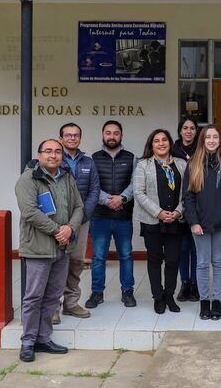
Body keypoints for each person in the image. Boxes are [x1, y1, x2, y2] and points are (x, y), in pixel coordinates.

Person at [14, 139, 83, 362]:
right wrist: (57, 231)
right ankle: (28, 342)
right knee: (34, 296)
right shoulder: (28, 178)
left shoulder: (66, 176)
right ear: (40, 154)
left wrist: (70, 228)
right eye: (48, 151)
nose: (53, 155)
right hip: (39, 248)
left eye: (57, 152)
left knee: (53, 296)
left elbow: (79, 206)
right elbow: (30, 212)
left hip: (62, 248)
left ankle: (44, 338)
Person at [182, 125, 221, 321]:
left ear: (220, 140)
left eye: (215, 137)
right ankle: (204, 302)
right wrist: (193, 221)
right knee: (201, 263)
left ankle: (216, 300)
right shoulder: (193, 164)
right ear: (202, 140)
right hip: (199, 224)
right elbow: (188, 196)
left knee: (218, 262)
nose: (211, 140)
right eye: (208, 137)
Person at [133, 128, 188, 314]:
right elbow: (138, 193)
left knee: (173, 260)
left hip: (175, 222)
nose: (161, 143)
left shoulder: (181, 165)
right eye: (156, 141)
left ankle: (169, 295)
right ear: (151, 145)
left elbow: (189, 193)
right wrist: (159, 213)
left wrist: (178, 212)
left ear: (170, 143)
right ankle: (158, 297)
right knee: (155, 260)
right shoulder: (143, 165)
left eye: (164, 140)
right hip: (152, 221)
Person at [86, 120, 137, 309]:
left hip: (123, 216)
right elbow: (93, 185)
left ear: (121, 135)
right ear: (102, 135)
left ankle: (128, 292)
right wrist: (108, 200)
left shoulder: (132, 158)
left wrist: (122, 199)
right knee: (99, 257)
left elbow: (135, 184)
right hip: (100, 216)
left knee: (126, 255)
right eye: (108, 132)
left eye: (116, 133)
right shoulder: (93, 158)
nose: (112, 136)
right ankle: (97, 293)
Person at [56, 123, 100, 324]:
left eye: (76, 135)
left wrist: (82, 216)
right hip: (57, 222)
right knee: (55, 263)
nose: (72, 138)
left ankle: (71, 303)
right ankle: (52, 306)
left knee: (76, 262)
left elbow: (94, 191)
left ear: (80, 139)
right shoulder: (54, 159)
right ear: (61, 138)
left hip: (80, 222)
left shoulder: (88, 162)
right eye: (68, 135)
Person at [172, 117, 200, 303]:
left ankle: (196, 285)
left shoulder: (202, 149)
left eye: (192, 128)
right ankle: (185, 284)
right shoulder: (172, 150)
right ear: (180, 131)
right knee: (183, 249)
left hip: (199, 207)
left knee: (197, 249)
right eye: (185, 128)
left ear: (196, 131)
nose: (188, 131)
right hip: (179, 207)